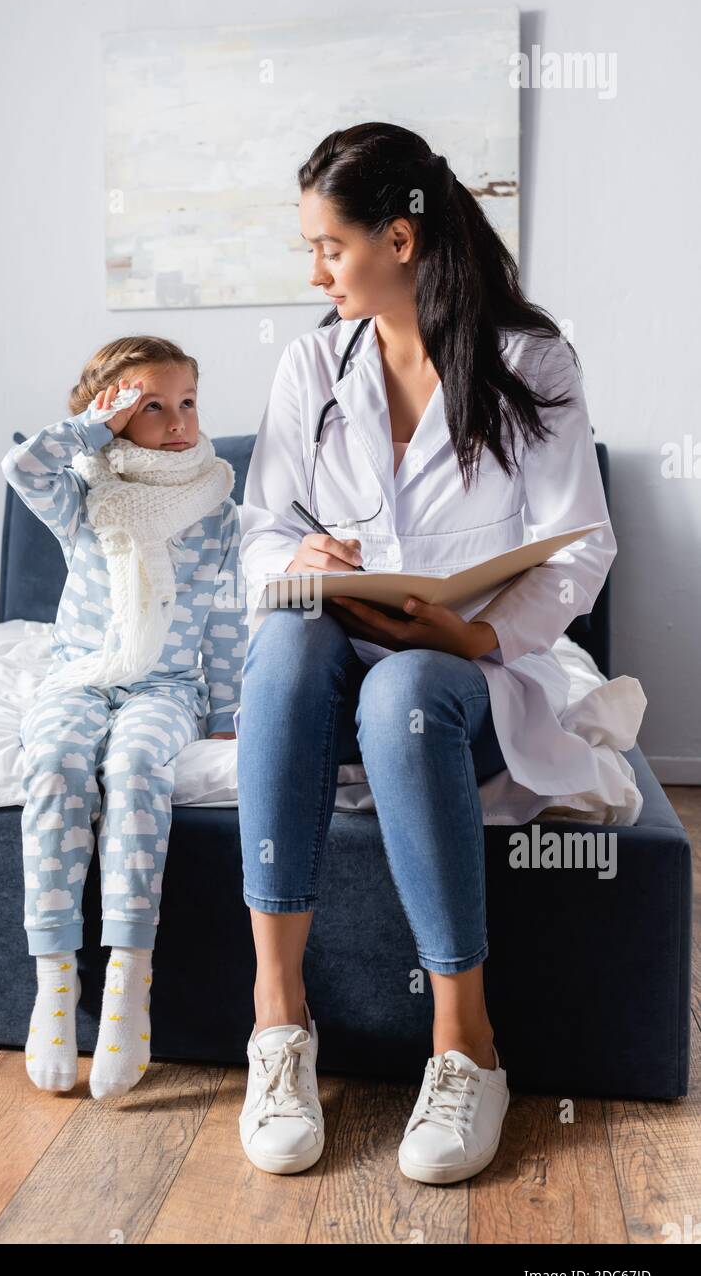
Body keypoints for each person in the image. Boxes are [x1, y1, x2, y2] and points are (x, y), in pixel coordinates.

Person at [235, 122, 617, 1182]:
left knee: (407, 689)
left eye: (329, 246)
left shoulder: (531, 362)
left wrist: (479, 632)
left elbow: (582, 546)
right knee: (286, 646)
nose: (313, 270)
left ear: (400, 239)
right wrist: (296, 550)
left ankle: (466, 1048)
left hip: (470, 667)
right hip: (338, 646)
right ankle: (278, 1024)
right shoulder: (314, 362)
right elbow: (259, 530)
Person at [0, 336, 244, 1100]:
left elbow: (227, 621)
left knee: (137, 768)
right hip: (81, 677)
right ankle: (55, 985)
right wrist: (90, 430)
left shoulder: (215, 506)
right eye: (151, 407)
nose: (177, 421)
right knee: (54, 763)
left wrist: (230, 712)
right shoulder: (83, 490)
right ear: (109, 415)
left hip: (165, 687)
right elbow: (21, 466)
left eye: (186, 402)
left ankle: (127, 987)